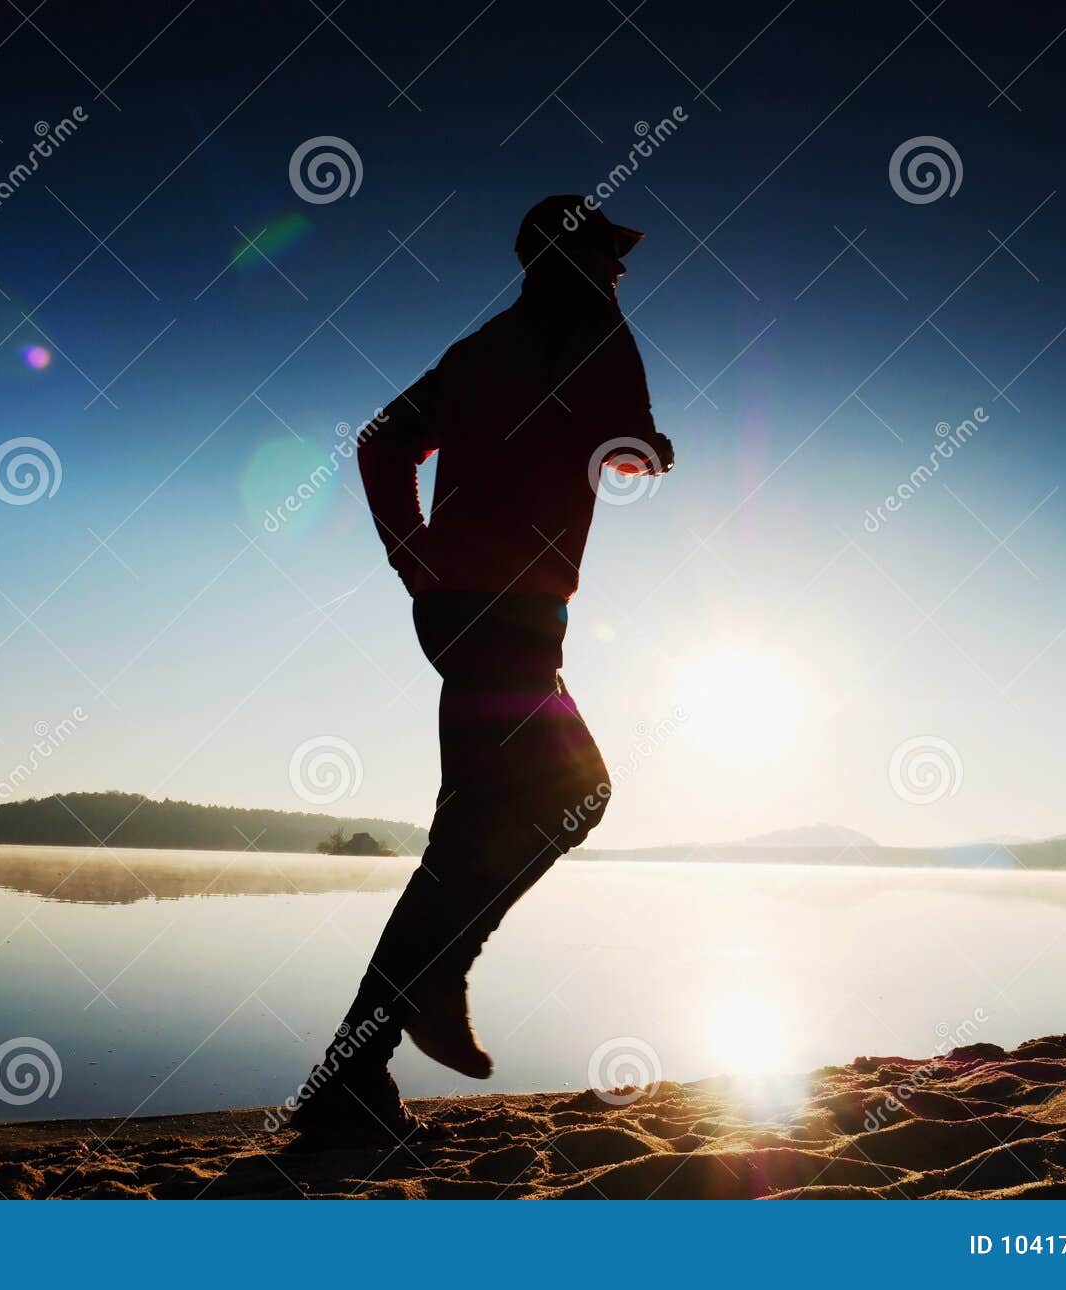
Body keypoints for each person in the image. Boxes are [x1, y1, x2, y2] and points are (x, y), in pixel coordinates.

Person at [288, 195, 674, 1145]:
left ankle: (363, 1060)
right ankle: (417, 999)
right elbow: (628, 435)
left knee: (498, 819)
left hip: (465, 610)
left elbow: (382, 440)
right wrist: (642, 451)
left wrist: (408, 550)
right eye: (608, 258)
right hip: (507, 614)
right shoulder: (592, 334)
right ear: (567, 261)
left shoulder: (475, 354)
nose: (621, 274)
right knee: (566, 799)